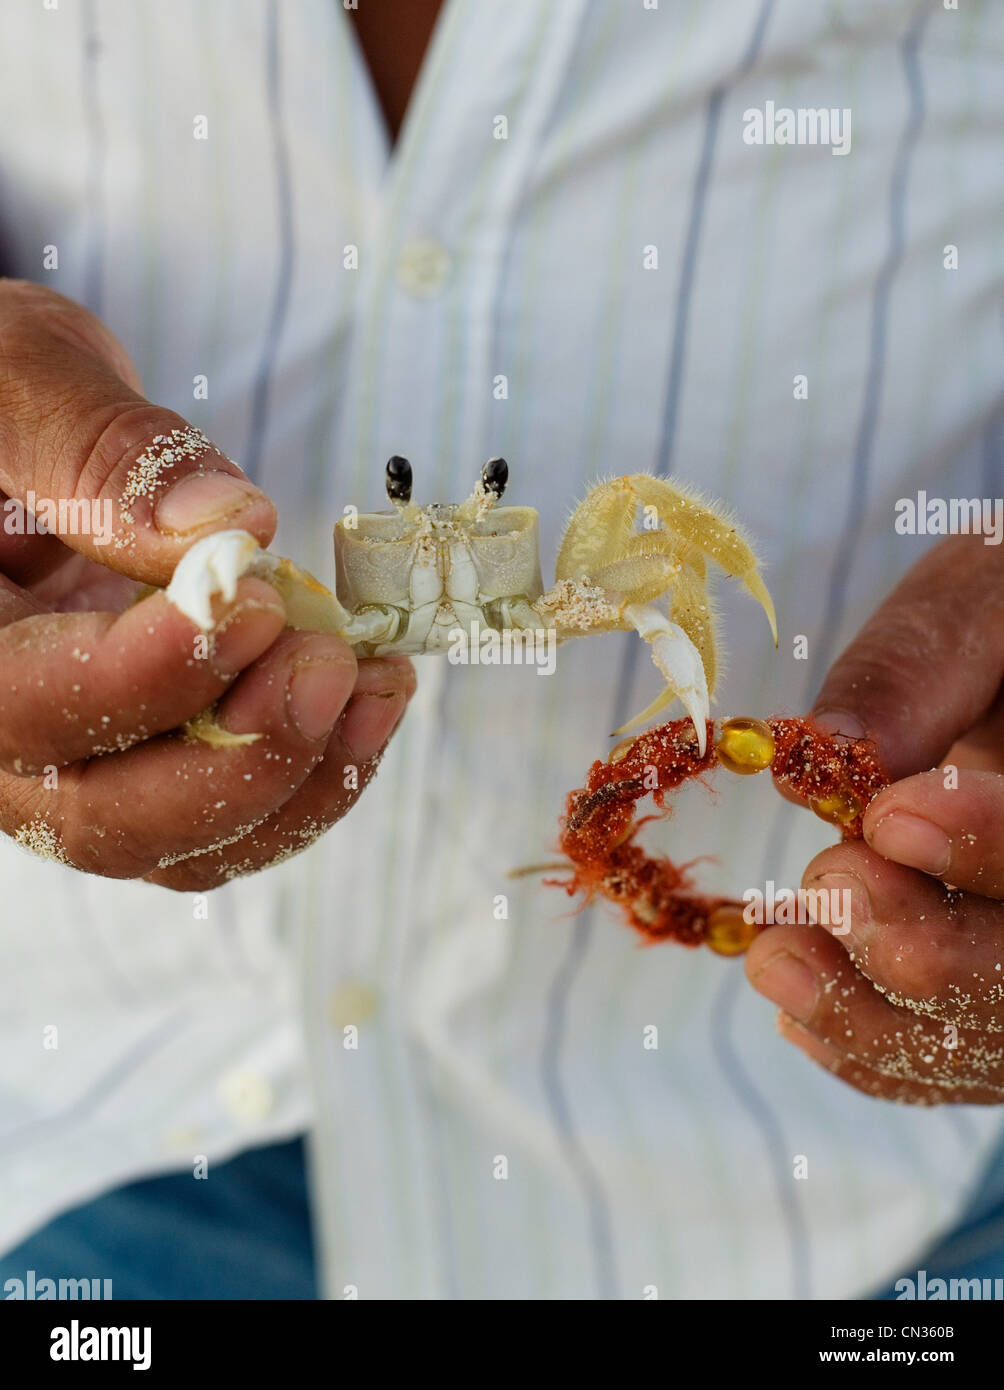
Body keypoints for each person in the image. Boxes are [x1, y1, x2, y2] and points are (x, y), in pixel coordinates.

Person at [1, 0, 1002, 1301]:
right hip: (112, 1116)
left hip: (835, 1185)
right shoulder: (302, 596)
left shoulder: (579, 558)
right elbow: (218, 583)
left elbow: (655, 565)